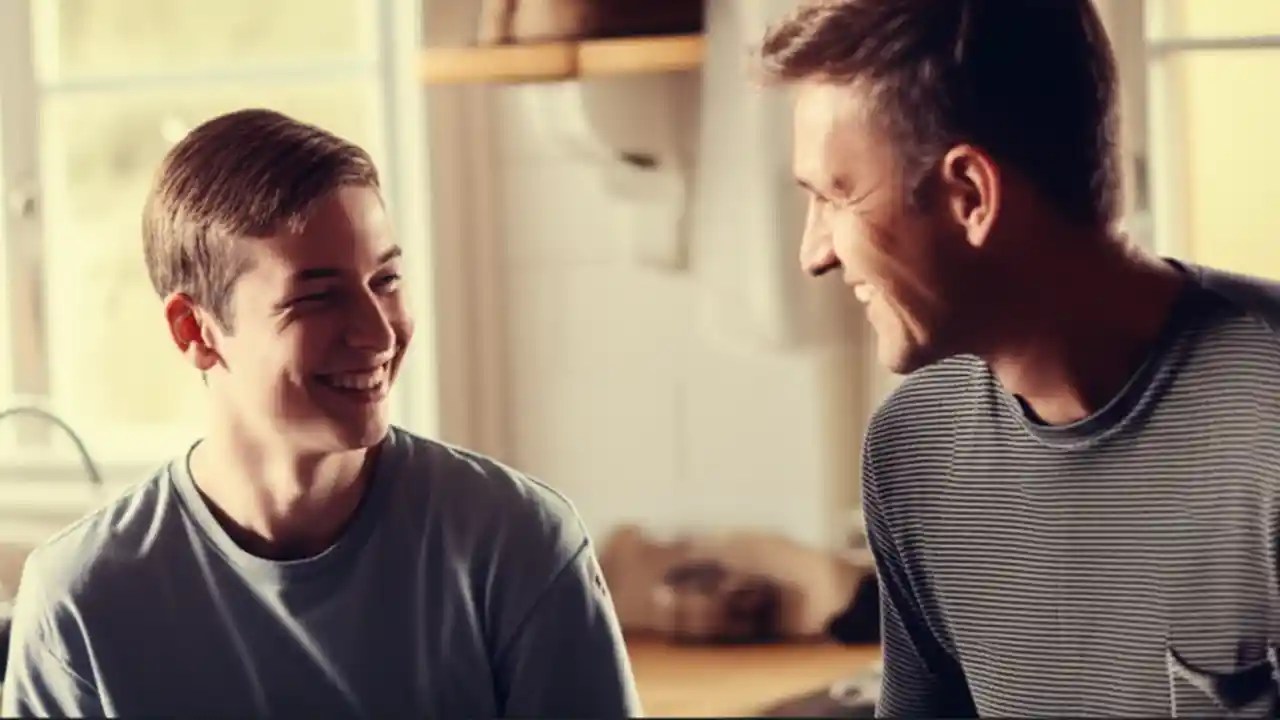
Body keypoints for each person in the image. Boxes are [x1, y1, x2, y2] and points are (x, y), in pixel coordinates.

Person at [1, 109, 641, 718]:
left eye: (385, 282)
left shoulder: (518, 546)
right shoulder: (81, 602)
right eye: (319, 297)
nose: (378, 333)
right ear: (193, 329)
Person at [761, 0, 1280, 716]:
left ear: (970, 194)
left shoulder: (1267, 422)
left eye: (837, 197)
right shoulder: (916, 448)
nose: (814, 253)